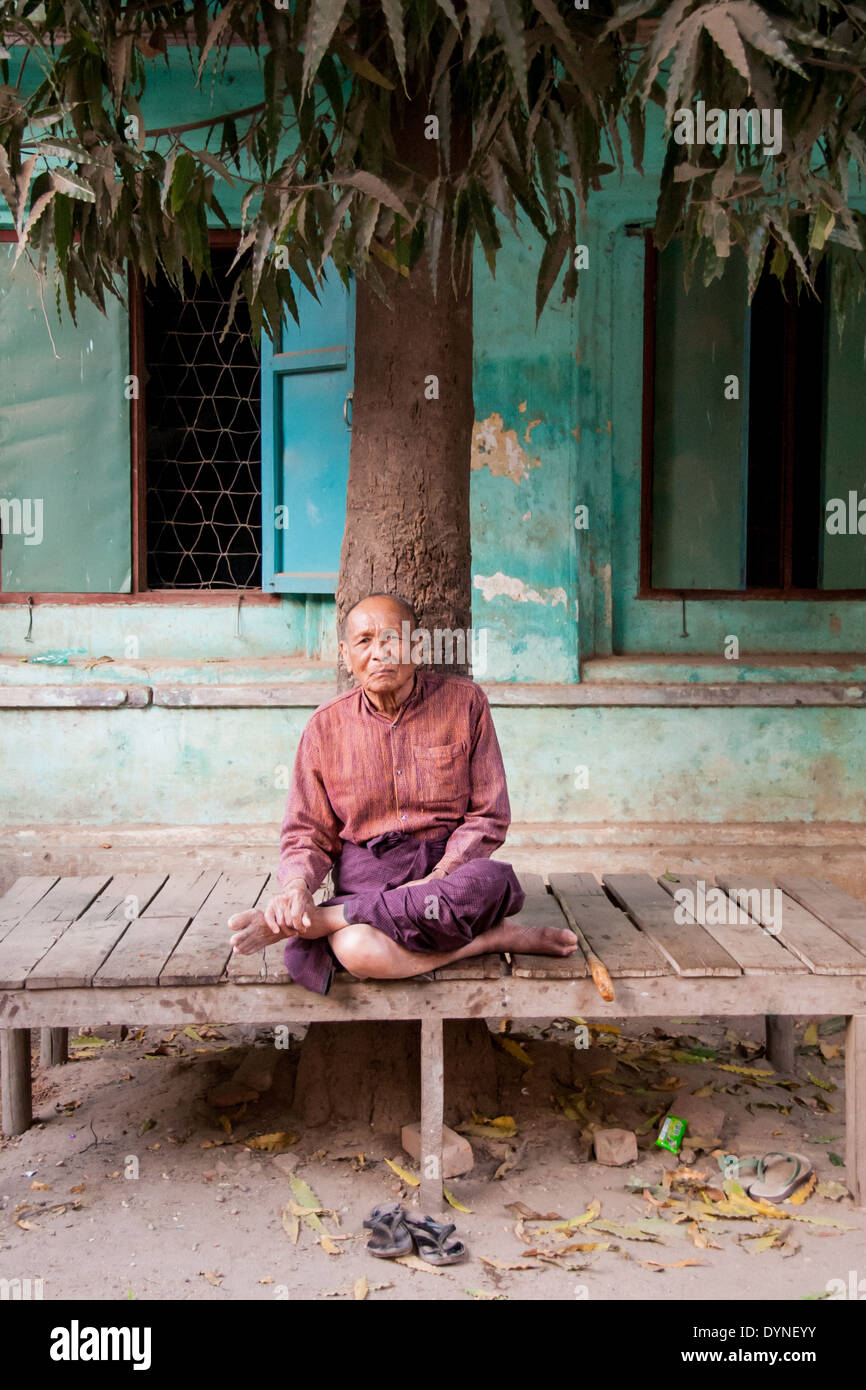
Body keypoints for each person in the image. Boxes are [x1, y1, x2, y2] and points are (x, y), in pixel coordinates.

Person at [228, 593, 577, 993]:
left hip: (450, 874)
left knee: (489, 881)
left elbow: (488, 816)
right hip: (370, 877)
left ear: (417, 647)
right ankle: (494, 938)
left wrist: (439, 876)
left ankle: (325, 919)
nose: (380, 653)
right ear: (346, 654)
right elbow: (306, 833)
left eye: (392, 638)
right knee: (359, 951)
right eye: (364, 642)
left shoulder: (466, 704)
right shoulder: (323, 728)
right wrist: (295, 887)